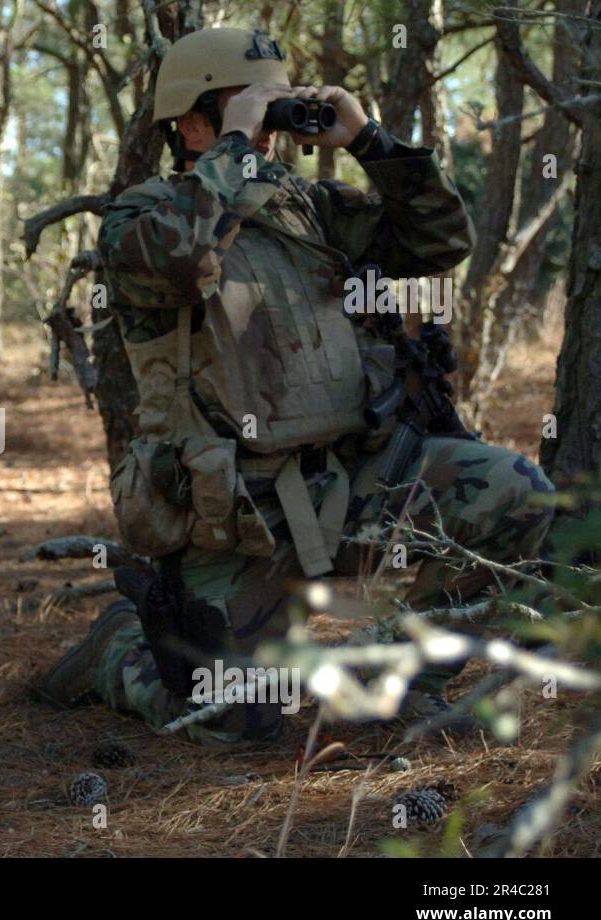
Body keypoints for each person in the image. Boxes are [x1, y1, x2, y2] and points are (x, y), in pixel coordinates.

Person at [36, 29, 555, 744]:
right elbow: (185, 260)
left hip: (347, 483)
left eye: (277, 105)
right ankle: (120, 650)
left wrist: (369, 139)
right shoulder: (141, 218)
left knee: (516, 494)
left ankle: (388, 693)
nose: (271, 124)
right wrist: (238, 149)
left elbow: (441, 242)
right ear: (190, 123)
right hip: (233, 515)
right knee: (235, 726)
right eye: (244, 106)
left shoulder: (308, 209)